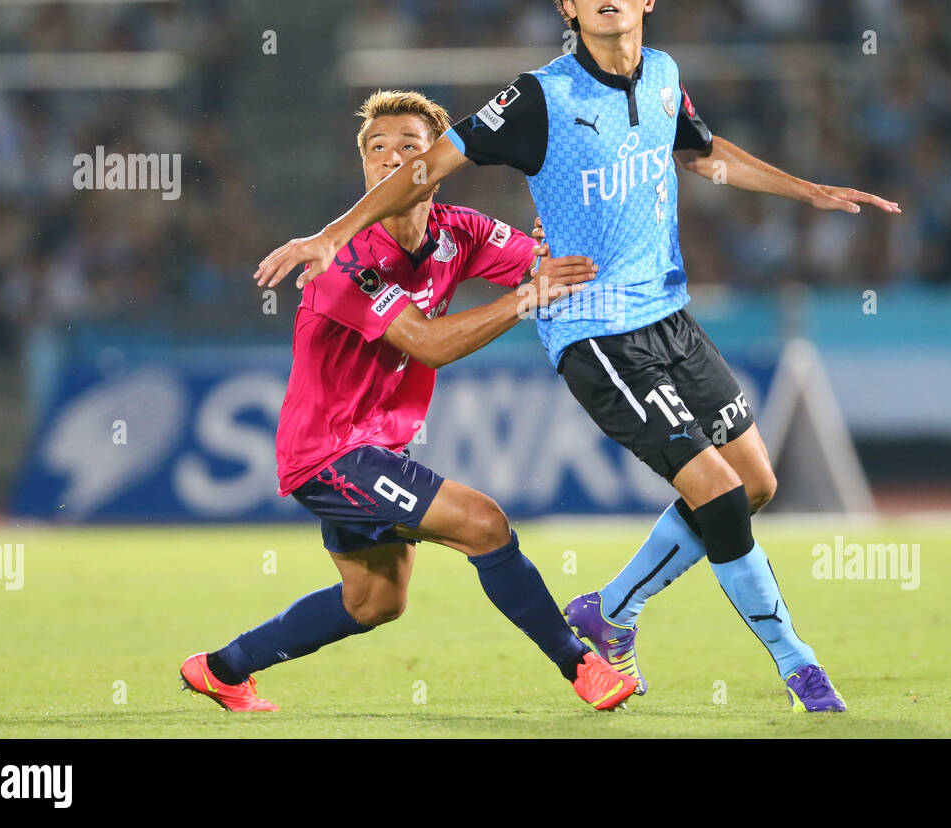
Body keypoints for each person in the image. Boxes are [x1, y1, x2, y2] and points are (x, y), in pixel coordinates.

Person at [253, 0, 901, 712]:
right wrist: (331, 233)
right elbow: (428, 168)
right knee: (719, 494)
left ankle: (613, 606)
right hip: (596, 331)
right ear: (567, 9)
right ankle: (799, 664)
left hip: (669, 315)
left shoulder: (663, 76)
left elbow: (703, 154)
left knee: (757, 481)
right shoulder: (540, 97)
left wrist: (810, 190)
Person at [181, 89, 636, 712]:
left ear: (440, 161)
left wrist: (559, 240)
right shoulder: (343, 257)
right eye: (376, 148)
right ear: (362, 165)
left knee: (375, 602)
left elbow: (551, 263)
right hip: (329, 453)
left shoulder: (459, 232)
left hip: (372, 447)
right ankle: (582, 666)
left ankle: (221, 668)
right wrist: (529, 295)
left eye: (409, 147)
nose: (390, 158)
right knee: (484, 523)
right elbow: (427, 344)